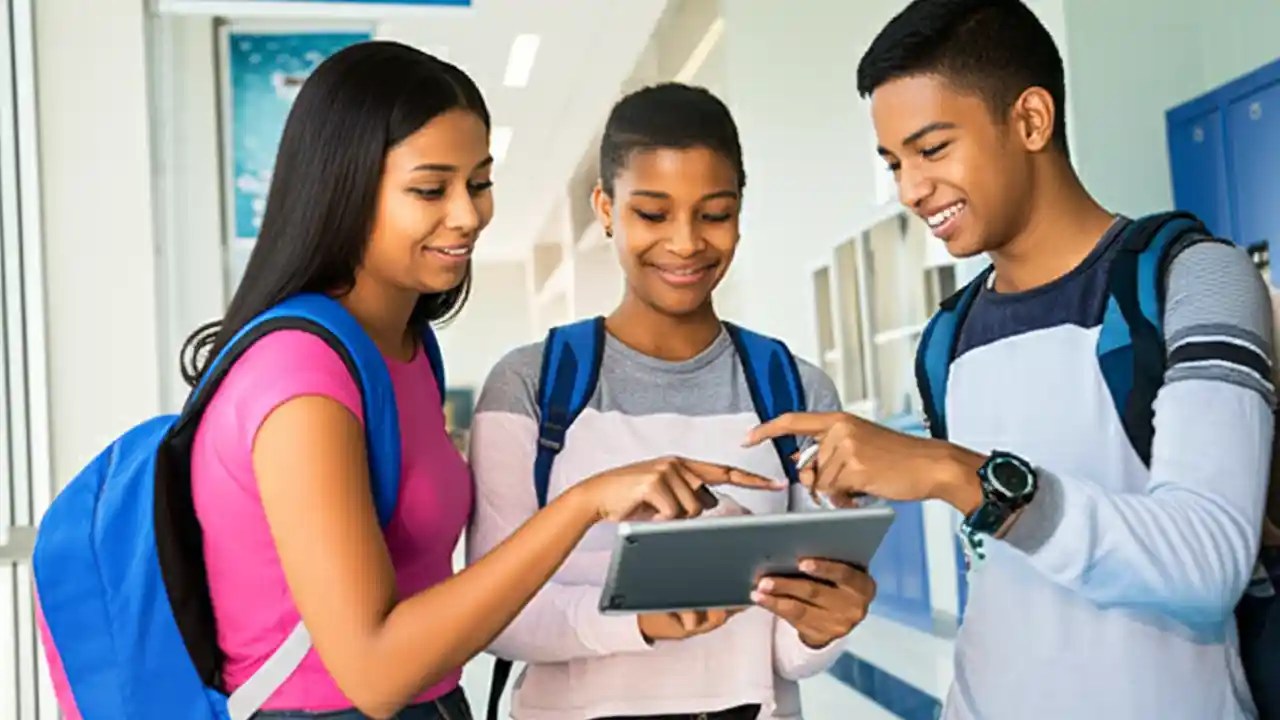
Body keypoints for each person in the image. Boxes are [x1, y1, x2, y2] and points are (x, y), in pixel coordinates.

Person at [184, 43, 778, 720]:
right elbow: (374, 675)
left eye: (479, 182)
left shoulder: (404, 348)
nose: (469, 215)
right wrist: (583, 505)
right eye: (431, 189)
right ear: (344, 187)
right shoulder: (300, 376)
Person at [744, 1, 1275, 718]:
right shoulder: (947, 339)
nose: (910, 190)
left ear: (1030, 120)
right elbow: (1000, 575)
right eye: (895, 162)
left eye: (932, 150)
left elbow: (1206, 562)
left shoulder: (1194, 279)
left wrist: (952, 472)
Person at [466, 83, 875, 720]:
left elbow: (791, 654)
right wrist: (640, 622)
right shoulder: (532, 385)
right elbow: (492, 616)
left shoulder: (794, 391)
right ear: (606, 207)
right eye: (652, 214)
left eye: (713, 213)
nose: (685, 243)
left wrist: (825, 623)